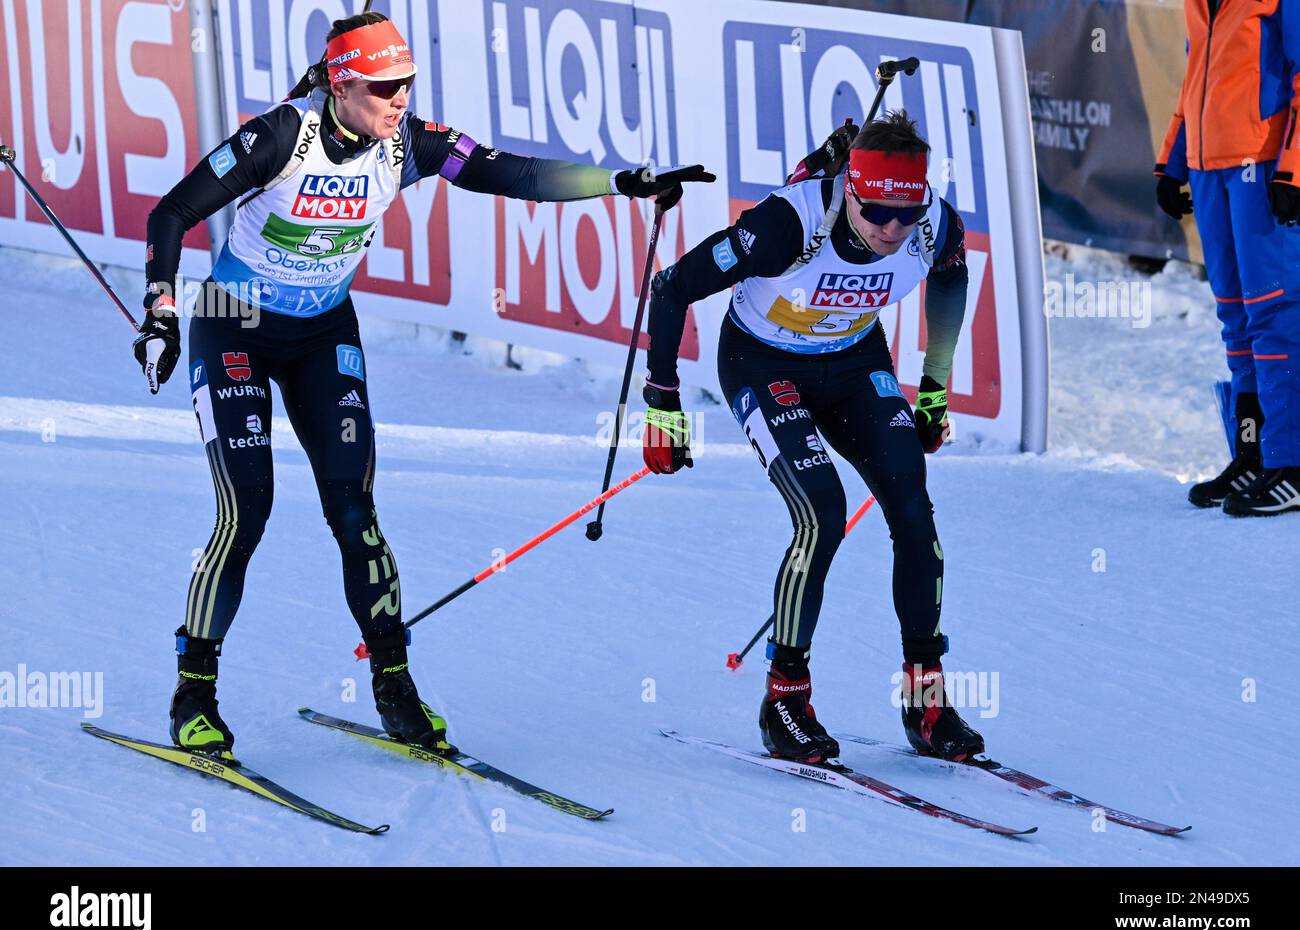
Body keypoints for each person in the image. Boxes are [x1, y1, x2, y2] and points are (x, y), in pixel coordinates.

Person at [133, 12, 713, 760]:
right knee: (247, 512)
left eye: (407, 83)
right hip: (232, 323)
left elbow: (518, 174)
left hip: (321, 330)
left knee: (357, 514)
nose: (399, 98)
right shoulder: (280, 136)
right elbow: (171, 212)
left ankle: (394, 684)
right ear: (341, 85)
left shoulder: (408, 142)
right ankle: (194, 691)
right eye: (383, 87)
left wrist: (623, 182)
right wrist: (162, 309)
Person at [639, 111, 983, 764]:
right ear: (850, 190)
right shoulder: (787, 224)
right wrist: (662, 402)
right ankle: (785, 700)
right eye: (877, 211)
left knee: (914, 509)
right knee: (822, 513)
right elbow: (674, 287)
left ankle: (926, 698)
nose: (890, 230)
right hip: (764, 366)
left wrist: (934, 386)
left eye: (903, 217)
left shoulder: (932, 224)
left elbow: (950, 275)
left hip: (854, 365)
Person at [1156, 0, 1300, 516]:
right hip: (1207, 167)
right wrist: (1172, 162)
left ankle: (1292, 464)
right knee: (1236, 315)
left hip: (1260, 164)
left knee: (1275, 312)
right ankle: (1253, 454)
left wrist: (1294, 168)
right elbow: (1195, 75)